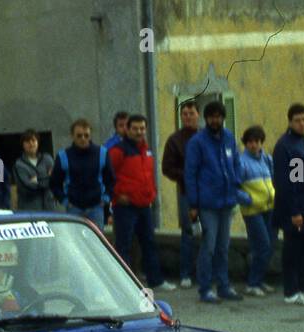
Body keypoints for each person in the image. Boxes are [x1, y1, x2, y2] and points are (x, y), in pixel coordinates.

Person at [184, 99, 249, 303]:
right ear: (206, 119)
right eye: (211, 117)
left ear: (223, 118)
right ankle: (205, 289)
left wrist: (237, 184)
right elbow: (190, 173)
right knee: (209, 246)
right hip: (207, 203)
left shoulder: (229, 137)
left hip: (227, 201)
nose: (215, 120)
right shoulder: (197, 142)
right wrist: (193, 204)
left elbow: (236, 163)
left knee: (223, 247)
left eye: (218, 116)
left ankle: (224, 286)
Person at [110, 114, 173, 291]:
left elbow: (148, 176)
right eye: (135, 128)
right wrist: (117, 195)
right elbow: (108, 176)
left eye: (142, 128)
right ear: (127, 130)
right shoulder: (118, 151)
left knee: (149, 242)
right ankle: (124, 284)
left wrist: (152, 194)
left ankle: (156, 280)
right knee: (124, 244)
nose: (139, 132)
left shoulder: (147, 151)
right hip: (125, 206)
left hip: (144, 205)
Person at [271, 104, 304, 305]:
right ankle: (291, 291)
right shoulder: (287, 146)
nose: (302, 123)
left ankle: (303, 287)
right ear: (290, 122)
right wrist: (295, 211)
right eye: (297, 120)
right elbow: (288, 183)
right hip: (296, 208)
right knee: (293, 250)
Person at [162, 99, 201, 287]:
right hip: (186, 192)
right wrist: (186, 176)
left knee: (208, 232)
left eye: (191, 113)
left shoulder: (205, 137)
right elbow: (167, 168)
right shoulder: (174, 140)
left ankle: (205, 273)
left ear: (198, 115)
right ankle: (186, 273)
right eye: (184, 114)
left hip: (208, 192)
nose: (187, 117)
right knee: (188, 232)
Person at [50, 120, 114, 227]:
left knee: (95, 242)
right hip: (74, 208)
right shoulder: (63, 156)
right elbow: (54, 183)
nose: (83, 139)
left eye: (86, 135)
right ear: (72, 136)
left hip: (96, 207)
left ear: (90, 135)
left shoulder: (102, 153)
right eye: (79, 136)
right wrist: (65, 201)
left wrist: (106, 199)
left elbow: (111, 179)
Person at [238, 126, 275, 296]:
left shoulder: (266, 159)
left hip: (269, 208)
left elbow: (273, 179)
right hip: (252, 211)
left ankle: (259, 280)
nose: (254, 145)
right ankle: (252, 283)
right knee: (263, 245)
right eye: (251, 142)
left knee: (267, 246)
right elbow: (234, 187)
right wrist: (249, 199)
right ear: (246, 143)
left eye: (257, 142)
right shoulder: (241, 162)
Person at [13, 130, 57, 211]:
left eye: (33, 140)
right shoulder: (19, 165)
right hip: (30, 210)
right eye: (27, 141)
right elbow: (26, 188)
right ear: (23, 144)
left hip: (49, 208)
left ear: (38, 142)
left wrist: (36, 180)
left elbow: (55, 180)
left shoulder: (47, 159)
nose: (31, 143)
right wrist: (47, 177)